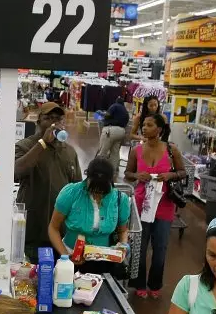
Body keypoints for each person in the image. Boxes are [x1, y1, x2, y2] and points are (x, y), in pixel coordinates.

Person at [124, 113, 186, 298]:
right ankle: (139, 284)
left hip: (164, 205)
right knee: (140, 248)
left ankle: (155, 284)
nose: (144, 128)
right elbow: (127, 173)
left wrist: (170, 176)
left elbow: (182, 172)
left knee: (160, 248)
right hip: (141, 204)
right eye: (143, 124)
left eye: (149, 125)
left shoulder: (171, 150)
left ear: (159, 129)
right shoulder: (136, 151)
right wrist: (137, 176)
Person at [15, 102, 82, 249]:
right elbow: (16, 171)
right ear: (39, 121)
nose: (55, 123)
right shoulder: (25, 146)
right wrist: (43, 143)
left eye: (58, 119)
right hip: (32, 231)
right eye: (49, 118)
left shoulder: (69, 152)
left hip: (61, 234)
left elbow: (78, 189)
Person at [48, 157, 130, 275]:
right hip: (70, 255)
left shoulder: (120, 200)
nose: (97, 195)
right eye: (94, 190)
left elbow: (123, 231)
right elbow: (53, 228)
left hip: (102, 261)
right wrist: (65, 256)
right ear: (87, 177)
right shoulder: (71, 193)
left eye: (102, 191)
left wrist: (122, 246)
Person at [96, 97, 130, 175]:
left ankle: (97, 171)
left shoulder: (115, 106)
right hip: (121, 132)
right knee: (115, 153)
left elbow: (108, 114)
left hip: (111, 130)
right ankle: (112, 172)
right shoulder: (125, 111)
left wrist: (101, 113)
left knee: (103, 151)